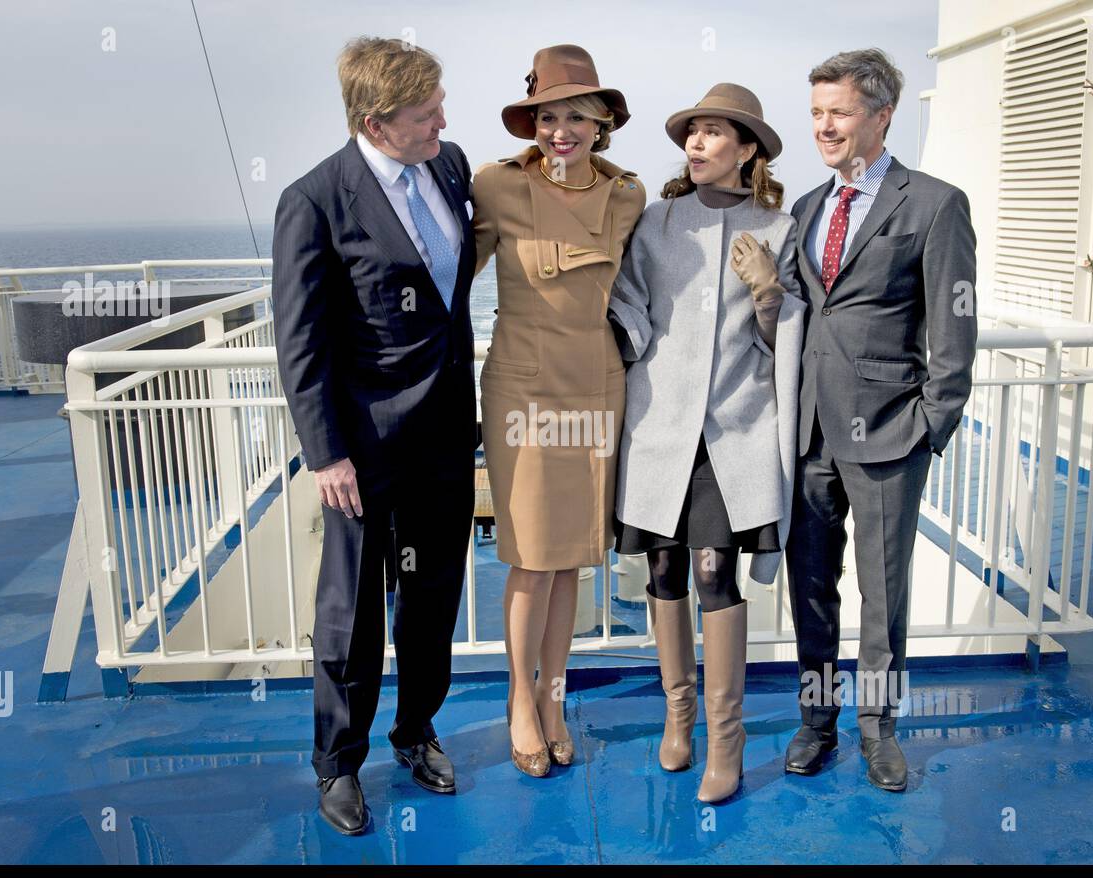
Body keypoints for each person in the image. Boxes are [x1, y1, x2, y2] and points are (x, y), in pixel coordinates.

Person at [272, 37, 478, 836]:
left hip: (444, 436)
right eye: (426, 115)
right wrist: (324, 452)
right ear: (375, 122)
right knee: (351, 610)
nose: (443, 122)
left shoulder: (450, 166)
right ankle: (339, 762)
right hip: (362, 448)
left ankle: (416, 730)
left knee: (433, 596)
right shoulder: (315, 200)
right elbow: (302, 340)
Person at [782, 49, 977, 792]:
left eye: (838, 112)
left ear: (882, 114)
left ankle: (879, 728)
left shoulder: (932, 203)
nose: (823, 127)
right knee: (810, 584)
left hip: (892, 431)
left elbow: (956, 328)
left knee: (882, 591)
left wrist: (932, 422)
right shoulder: (807, 207)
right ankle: (817, 720)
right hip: (809, 437)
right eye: (816, 114)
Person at [607, 84, 805, 804]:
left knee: (715, 569)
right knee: (664, 570)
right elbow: (628, 306)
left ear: (747, 149)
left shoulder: (779, 229)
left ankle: (728, 737)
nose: (696, 144)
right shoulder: (656, 223)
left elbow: (785, 342)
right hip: (658, 425)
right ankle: (678, 715)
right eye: (692, 133)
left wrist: (767, 294)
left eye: (715, 133)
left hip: (734, 428)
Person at [472, 45, 645, 777]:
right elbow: (443, 273)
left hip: (598, 387)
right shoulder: (497, 187)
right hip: (525, 391)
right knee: (532, 556)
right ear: (532, 121)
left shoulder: (629, 197)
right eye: (548, 116)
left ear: (602, 122)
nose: (560, 130)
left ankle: (554, 698)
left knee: (573, 555)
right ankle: (520, 698)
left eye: (576, 115)